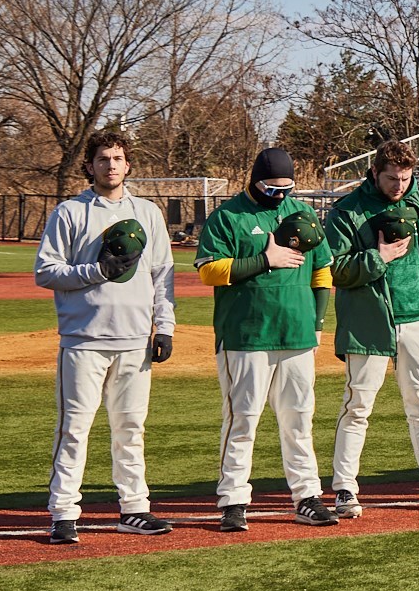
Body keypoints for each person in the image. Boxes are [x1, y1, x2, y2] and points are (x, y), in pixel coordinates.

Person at [37, 131, 177, 544]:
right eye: (102, 159)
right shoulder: (70, 212)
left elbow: (162, 275)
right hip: (84, 340)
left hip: (135, 341)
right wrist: (97, 271)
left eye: (117, 158)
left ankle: (134, 509)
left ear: (128, 165)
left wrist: (165, 326)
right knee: (73, 429)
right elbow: (46, 271)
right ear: (90, 166)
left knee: (131, 429)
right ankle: (63, 513)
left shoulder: (148, 212)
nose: (111, 165)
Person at [195, 147, 337, 530]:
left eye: (287, 189)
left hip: (297, 334)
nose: (280, 196)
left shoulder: (302, 214)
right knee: (242, 421)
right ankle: (233, 500)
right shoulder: (229, 216)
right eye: (272, 189)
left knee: (299, 420)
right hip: (245, 335)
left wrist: (317, 322)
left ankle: (307, 496)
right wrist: (265, 261)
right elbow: (208, 270)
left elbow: (322, 269)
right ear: (255, 181)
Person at [326, 138, 419, 517]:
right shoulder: (347, 210)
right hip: (368, 322)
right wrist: (378, 257)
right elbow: (334, 267)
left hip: (417, 318)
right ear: (374, 172)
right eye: (391, 178)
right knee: (358, 406)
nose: (399, 186)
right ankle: (344, 489)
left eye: (405, 178)